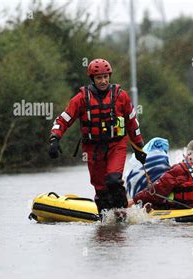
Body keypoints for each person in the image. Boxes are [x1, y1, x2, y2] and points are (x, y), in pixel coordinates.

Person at [48, 58, 147, 215]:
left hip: (117, 145)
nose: (103, 81)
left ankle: (122, 213)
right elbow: (63, 119)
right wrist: (55, 138)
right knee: (101, 189)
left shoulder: (121, 96)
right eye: (99, 78)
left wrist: (139, 146)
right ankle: (105, 219)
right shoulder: (81, 99)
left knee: (113, 180)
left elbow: (132, 123)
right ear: (92, 79)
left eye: (106, 76)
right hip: (92, 148)